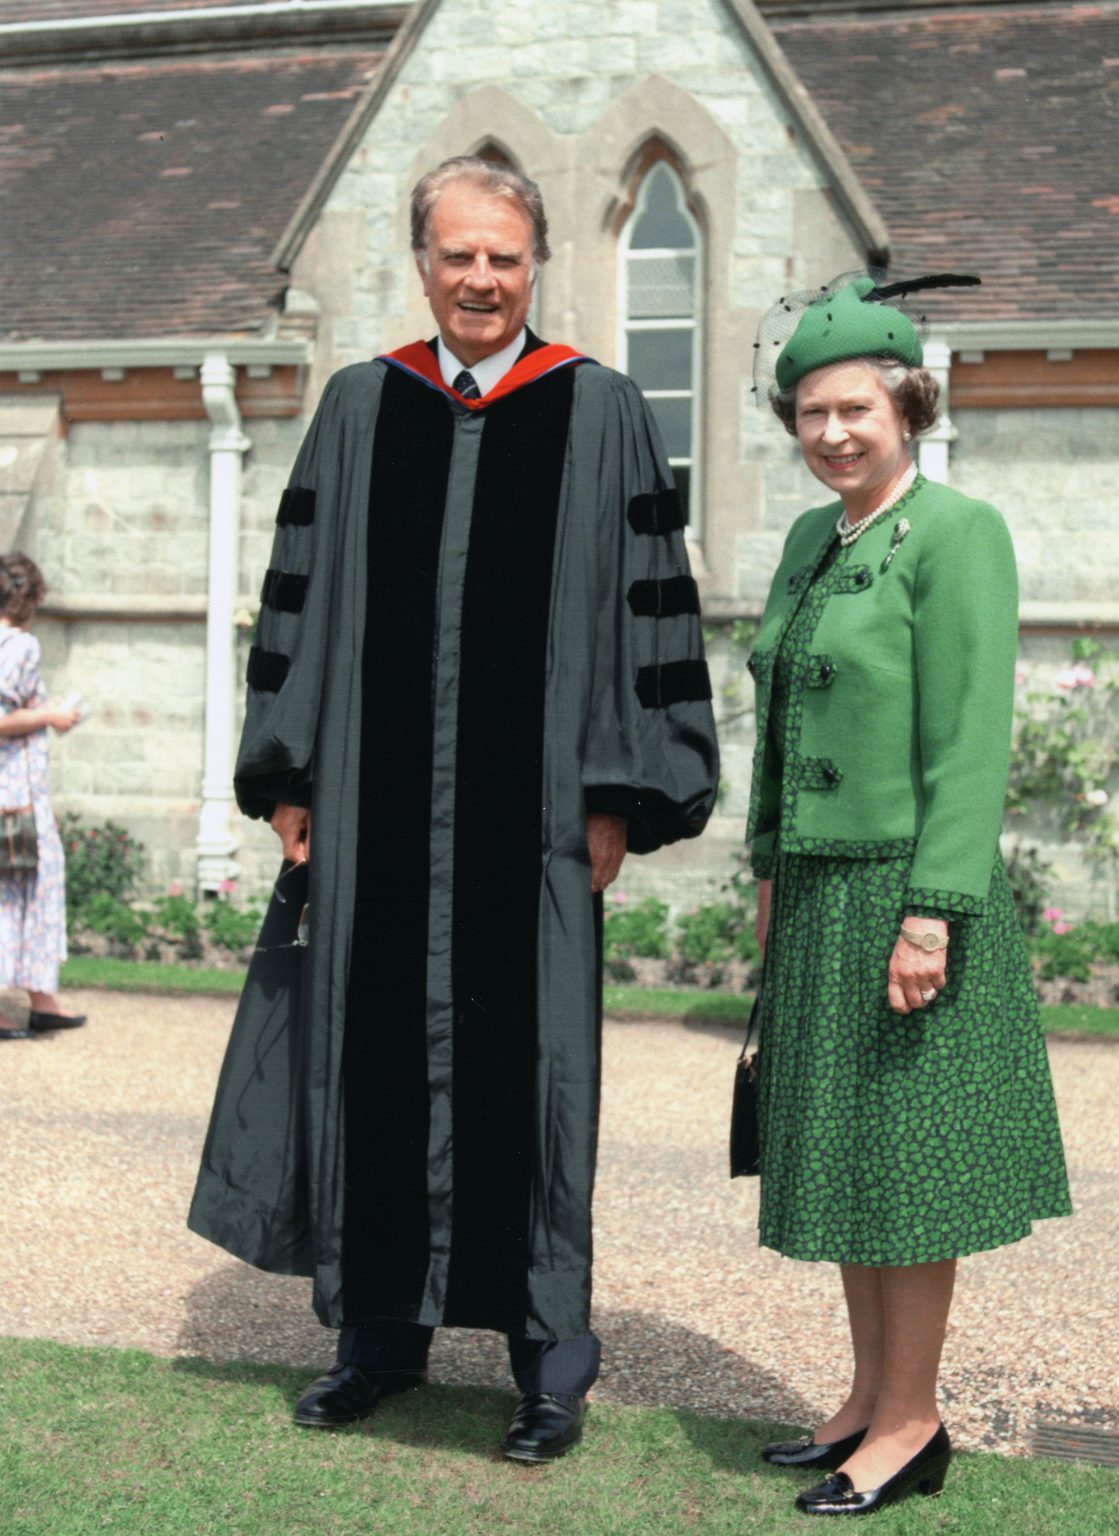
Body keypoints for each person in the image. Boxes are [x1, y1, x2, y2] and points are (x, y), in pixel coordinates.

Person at [188, 157, 719, 1462]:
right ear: (419, 262)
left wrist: (624, 795)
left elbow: (649, 611)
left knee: (531, 1077)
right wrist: (288, 773)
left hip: (536, 821)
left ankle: (546, 1365)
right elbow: (295, 596)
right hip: (371, 813)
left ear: (536, 264)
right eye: (456, 255)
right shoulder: (361, 407)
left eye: (504, 257)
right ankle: (374, 1339)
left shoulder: (598, 413)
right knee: (365, 1057)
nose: (480, 279)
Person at [743, 275, 1071, 1516]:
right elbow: (773, 722)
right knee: (840, 1159)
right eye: (808, 413)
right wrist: (769, 868)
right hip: (820, 891)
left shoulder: (956, 533)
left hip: (906, 889)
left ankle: (913, 1422)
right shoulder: (803, 543)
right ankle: (865, 1399)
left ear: (906, 406)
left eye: (852, 410)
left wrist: (931, 909)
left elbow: (969, 740)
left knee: (901, 1166)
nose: (830, 434)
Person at [0, 553, 85, 1039]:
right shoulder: (21, 646)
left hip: (16, 791)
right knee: (30, 886)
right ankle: (38, 999)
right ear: (30, 599)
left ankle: (42, 998)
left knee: (19, 892)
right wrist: (52, 716)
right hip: (16, 795)